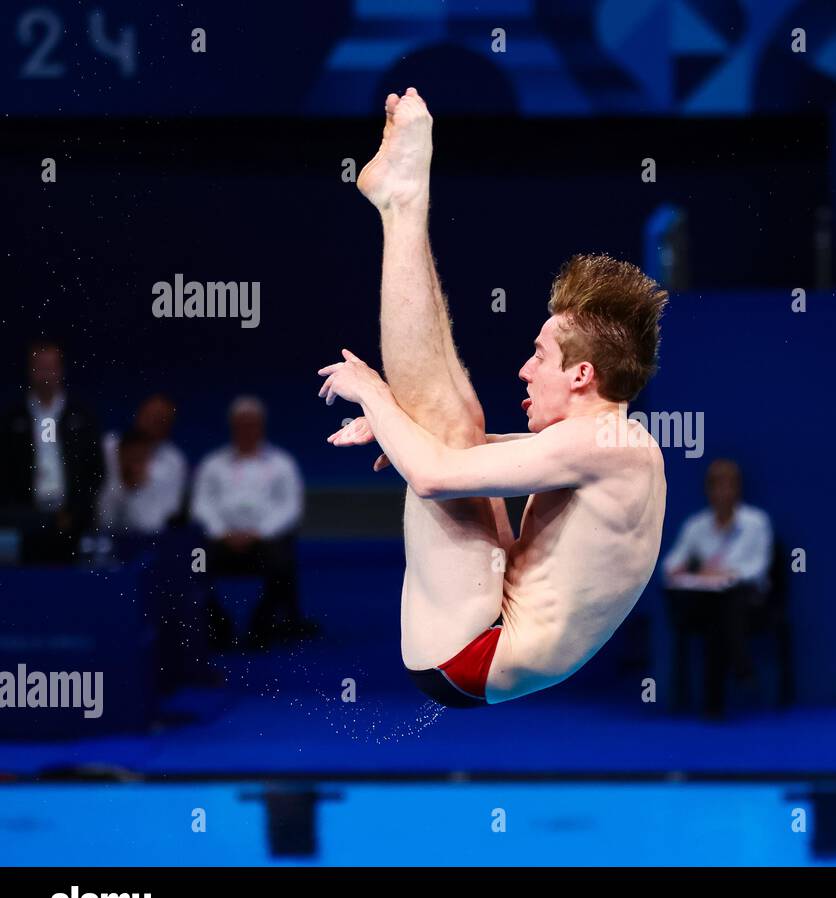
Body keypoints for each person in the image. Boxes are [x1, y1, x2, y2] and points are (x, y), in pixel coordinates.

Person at [317, 88, 667, 708]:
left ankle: (402, 201)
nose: (524, 369)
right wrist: (393, 422)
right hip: (486, 634)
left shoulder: (606, 444)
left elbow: (431, 476)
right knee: (462, 427)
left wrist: (373, 392)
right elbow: (461, 456)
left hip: (474, 649)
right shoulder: (615, 444)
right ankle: (399, 197)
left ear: (582, 375)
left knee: (451, 432)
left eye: (540, 355)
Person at [191, 396, 314, 647]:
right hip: (219, 541)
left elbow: (291, 506)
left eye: (252, 424)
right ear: (232, 426)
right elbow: (200, 504)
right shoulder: (212, 464)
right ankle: (216, 624)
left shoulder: (282, 464)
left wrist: (259, 533)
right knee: (195, 563)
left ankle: (262, 626)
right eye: (241, 424)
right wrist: (222, 532)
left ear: (261, 426)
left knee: (282, 560)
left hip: (264, 541)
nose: (246, 429)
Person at [662, 459, 773, 718]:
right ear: (708, 490)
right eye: (716, 486)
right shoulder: (695, 526)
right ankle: (742, 666)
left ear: (739, 489)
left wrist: (727, 574)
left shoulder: (757, 522)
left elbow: (758, 568)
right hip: (707, 605)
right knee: (718, 614)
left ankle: (714, 704)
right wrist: (688, 570)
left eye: (729, 485)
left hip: (751, 603)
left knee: (726, 607)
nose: (723, 492)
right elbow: (670, 566)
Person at [0, 340, 102, 563]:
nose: (45, 374)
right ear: (29, 371)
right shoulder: (11, 419)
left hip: (74, 520)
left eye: (51, 367)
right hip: (26, 521)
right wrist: (22, 513)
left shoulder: (82, 417)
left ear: (61, 371)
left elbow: (96, 470)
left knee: (75, 584)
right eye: (39, 367)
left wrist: (75, 510)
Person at [99, 395, 188, 535]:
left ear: (169, 425)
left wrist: (136, 490)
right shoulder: (107, 446)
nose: (152, 422)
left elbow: (165, 516)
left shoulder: (174, 461)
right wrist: (123, 487)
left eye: (161, 419)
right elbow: (102, 517)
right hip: (103, 532)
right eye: (150, 415)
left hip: (149, 538)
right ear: (138, 414)